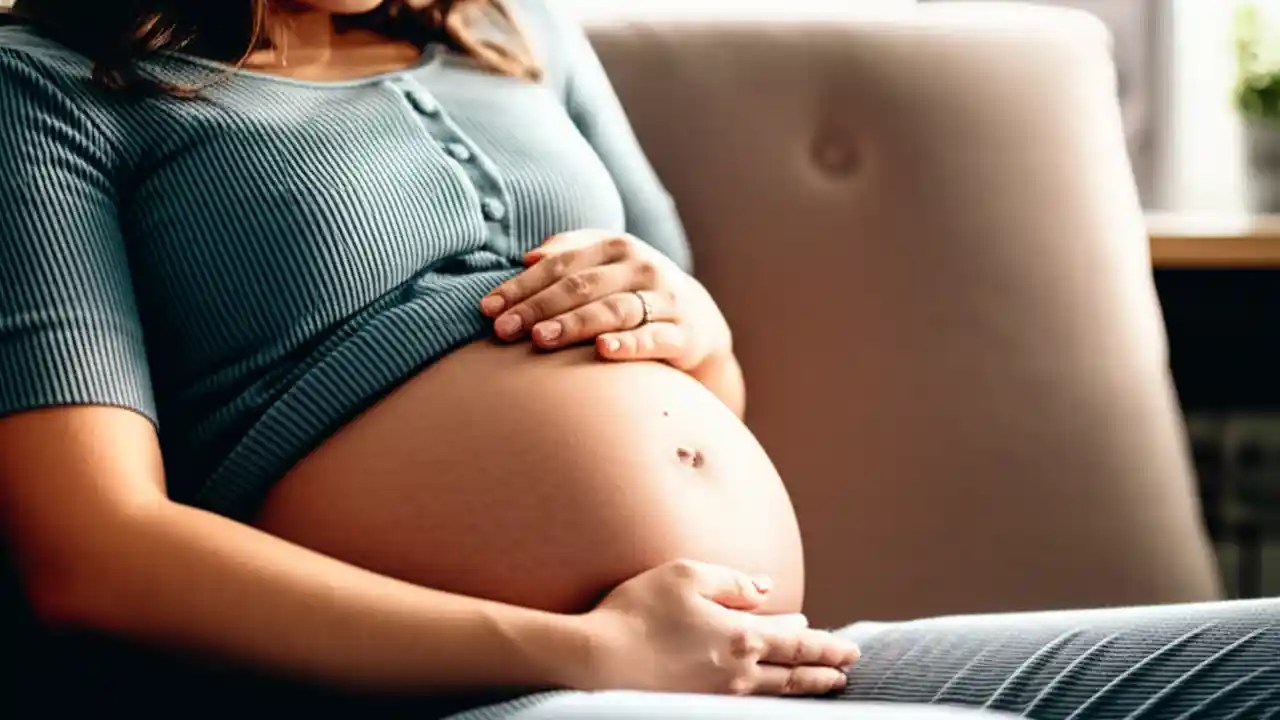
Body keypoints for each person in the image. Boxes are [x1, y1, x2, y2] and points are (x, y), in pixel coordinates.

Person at [0, 1, 1275, 718]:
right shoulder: (48, 85)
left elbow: (701, 387)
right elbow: (90, 550)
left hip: (739, 661)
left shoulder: (520, 33)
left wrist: (700, 332)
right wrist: (582, 653)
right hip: (453, 692)